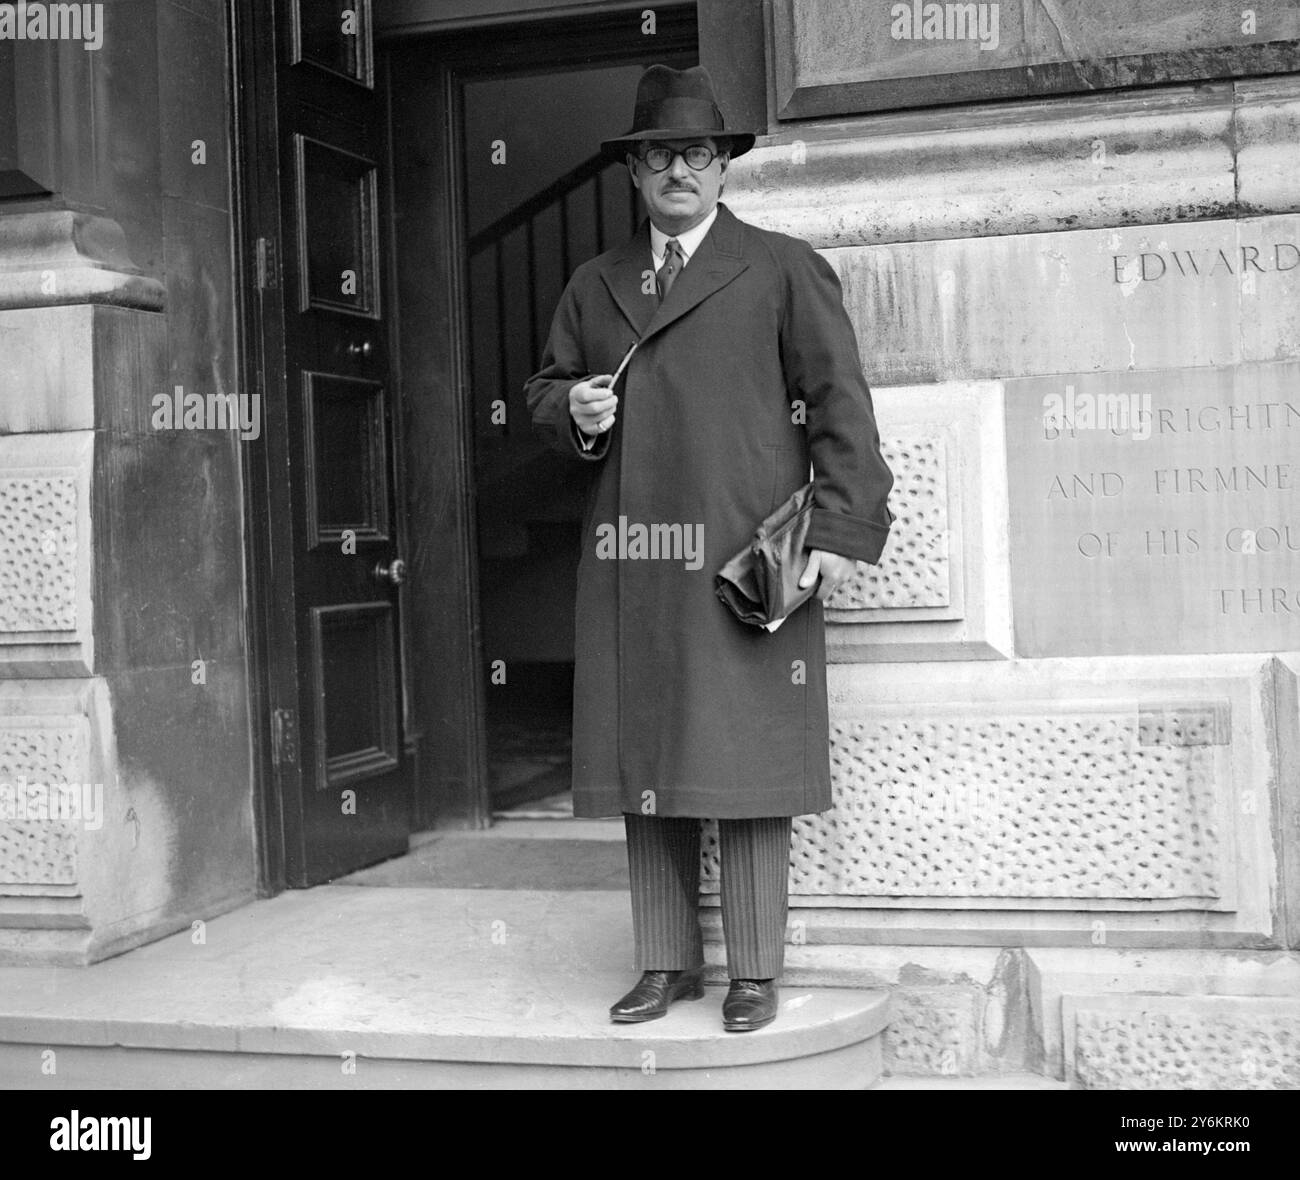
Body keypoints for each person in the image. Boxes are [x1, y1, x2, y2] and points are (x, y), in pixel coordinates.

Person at [523, 64, 894, 1032]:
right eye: (658, 155)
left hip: (742, 555)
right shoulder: (593, 283)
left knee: (744, 762)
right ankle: (664, 964)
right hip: (633, 559)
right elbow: (542, 393)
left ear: (723, 168)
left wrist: (843, 530)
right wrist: (577, 411)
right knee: (646, 756)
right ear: (635, 174)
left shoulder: (780, 267)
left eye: (696, 152)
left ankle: (755, 972)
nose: (678, 170)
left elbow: (842, 409)